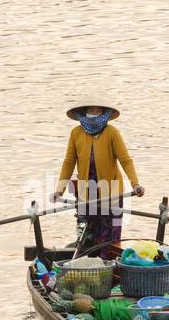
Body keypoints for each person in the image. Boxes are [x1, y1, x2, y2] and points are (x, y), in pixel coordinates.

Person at [50, 103, 144, 257]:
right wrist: (59, 190)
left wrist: (135, 184)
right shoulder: (76, 133)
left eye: (98, 110)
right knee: (87, 235)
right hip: (86, 195)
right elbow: (68, 163)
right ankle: (88, 265)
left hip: (111, 193)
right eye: (91, 110)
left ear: (104, 113)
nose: (95, 113)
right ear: (84, 113)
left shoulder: (112, 132)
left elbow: (125, 160)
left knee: (110, 237)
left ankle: (109, 266)